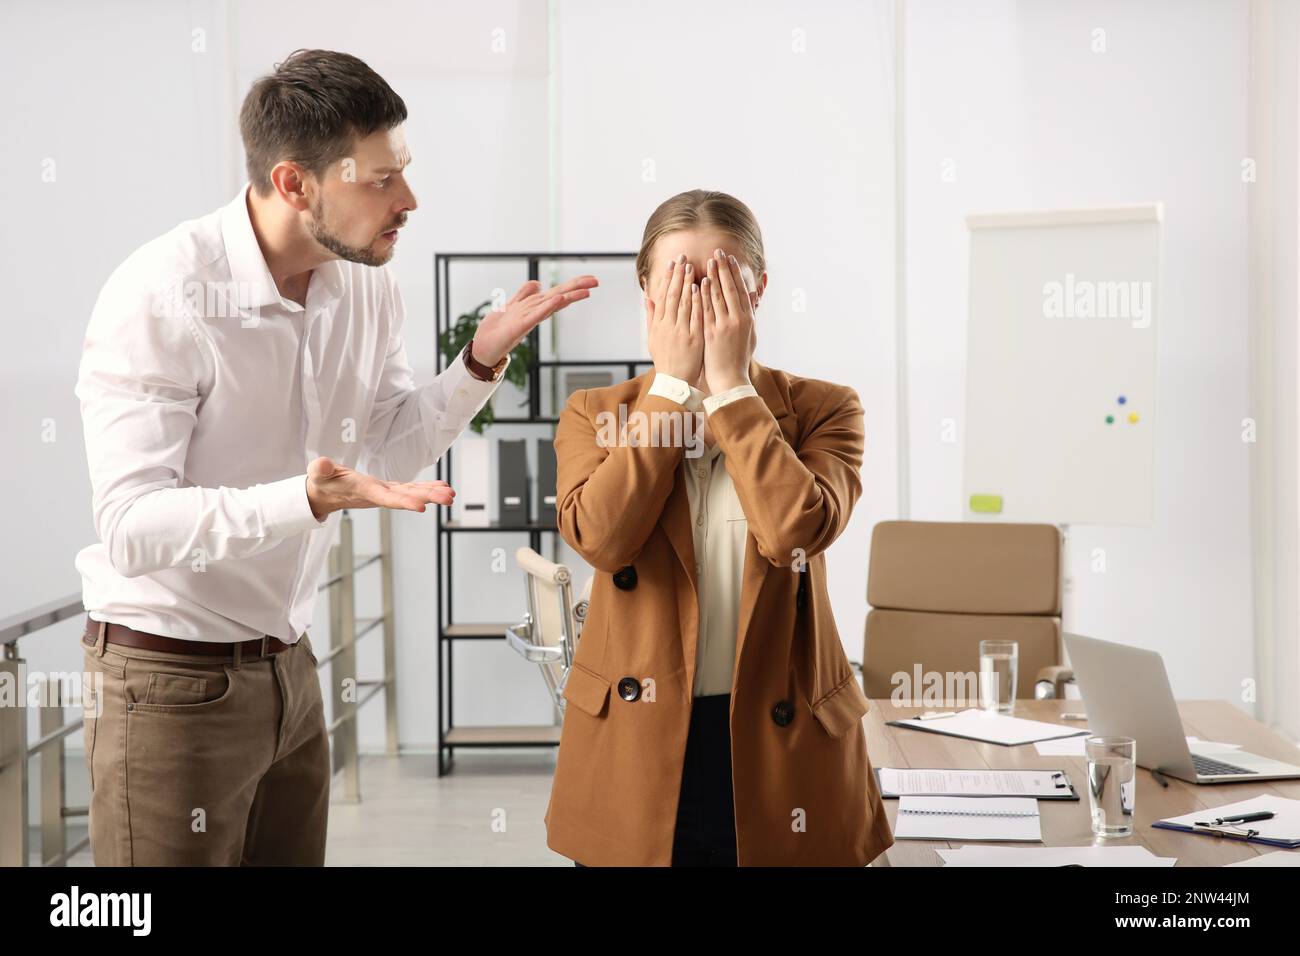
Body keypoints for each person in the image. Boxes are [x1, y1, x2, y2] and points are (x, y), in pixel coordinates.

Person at [75, 49, 597, 866]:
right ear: (294, 183)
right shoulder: (163, 294)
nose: (408, 201)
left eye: (405, 173)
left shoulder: (365, 287)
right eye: (379, 181)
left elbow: (387, 443)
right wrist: (305, 501)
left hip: (291, 669)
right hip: (168, 683)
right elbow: (131, 530)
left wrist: (477, 365)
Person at [546, 188, 894, 866]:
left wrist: (732, 389)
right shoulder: (593, 412)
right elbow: (603, 536)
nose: (698, 299)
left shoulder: (826, 409)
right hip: (637, 748)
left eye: (720, 279)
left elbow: (797, 529)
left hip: (783, 748)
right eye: (679, 278)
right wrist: (672, 389)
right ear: (646, 291)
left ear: (757, 289)